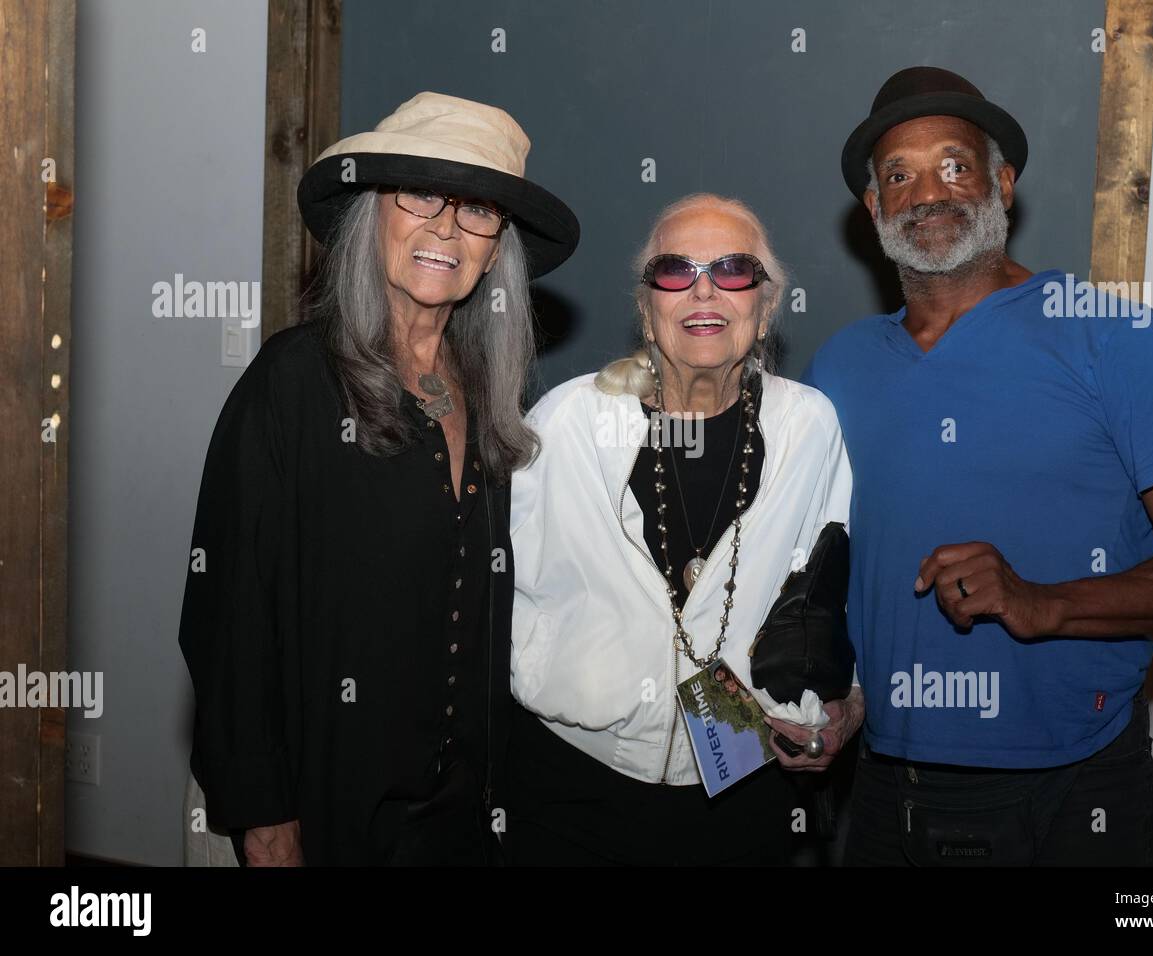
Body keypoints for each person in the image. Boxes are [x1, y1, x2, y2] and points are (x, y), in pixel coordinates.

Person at [807, 66, 1153, 865]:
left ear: (1003, 182)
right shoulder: (840, 366)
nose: (928, 193)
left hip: (1076, 794)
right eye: (898, 176)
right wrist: (841, 695)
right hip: (884, 788)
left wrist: (1042, 602)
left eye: (954, 164)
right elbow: (832, 566)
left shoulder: (1115, 338)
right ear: (874, 208)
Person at [179, 91, 578, 865]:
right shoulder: (292, 382)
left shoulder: (490, 398)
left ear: (496, 251)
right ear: (372, 214)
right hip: (324, 808)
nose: (446, 228)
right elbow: (229, 617)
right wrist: (265, 821)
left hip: (454, 818)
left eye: (478, 211)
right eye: (421, 195)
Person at [507, 193, 857, 865]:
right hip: (573, 785)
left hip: (742, 790)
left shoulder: (807, 427)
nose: (704, 291)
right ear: (646, 306)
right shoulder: (568, 422)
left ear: (766, 306)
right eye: (675, 270)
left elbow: (825, 584)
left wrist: (833, 707)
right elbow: (504, 586)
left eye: (733, 270)